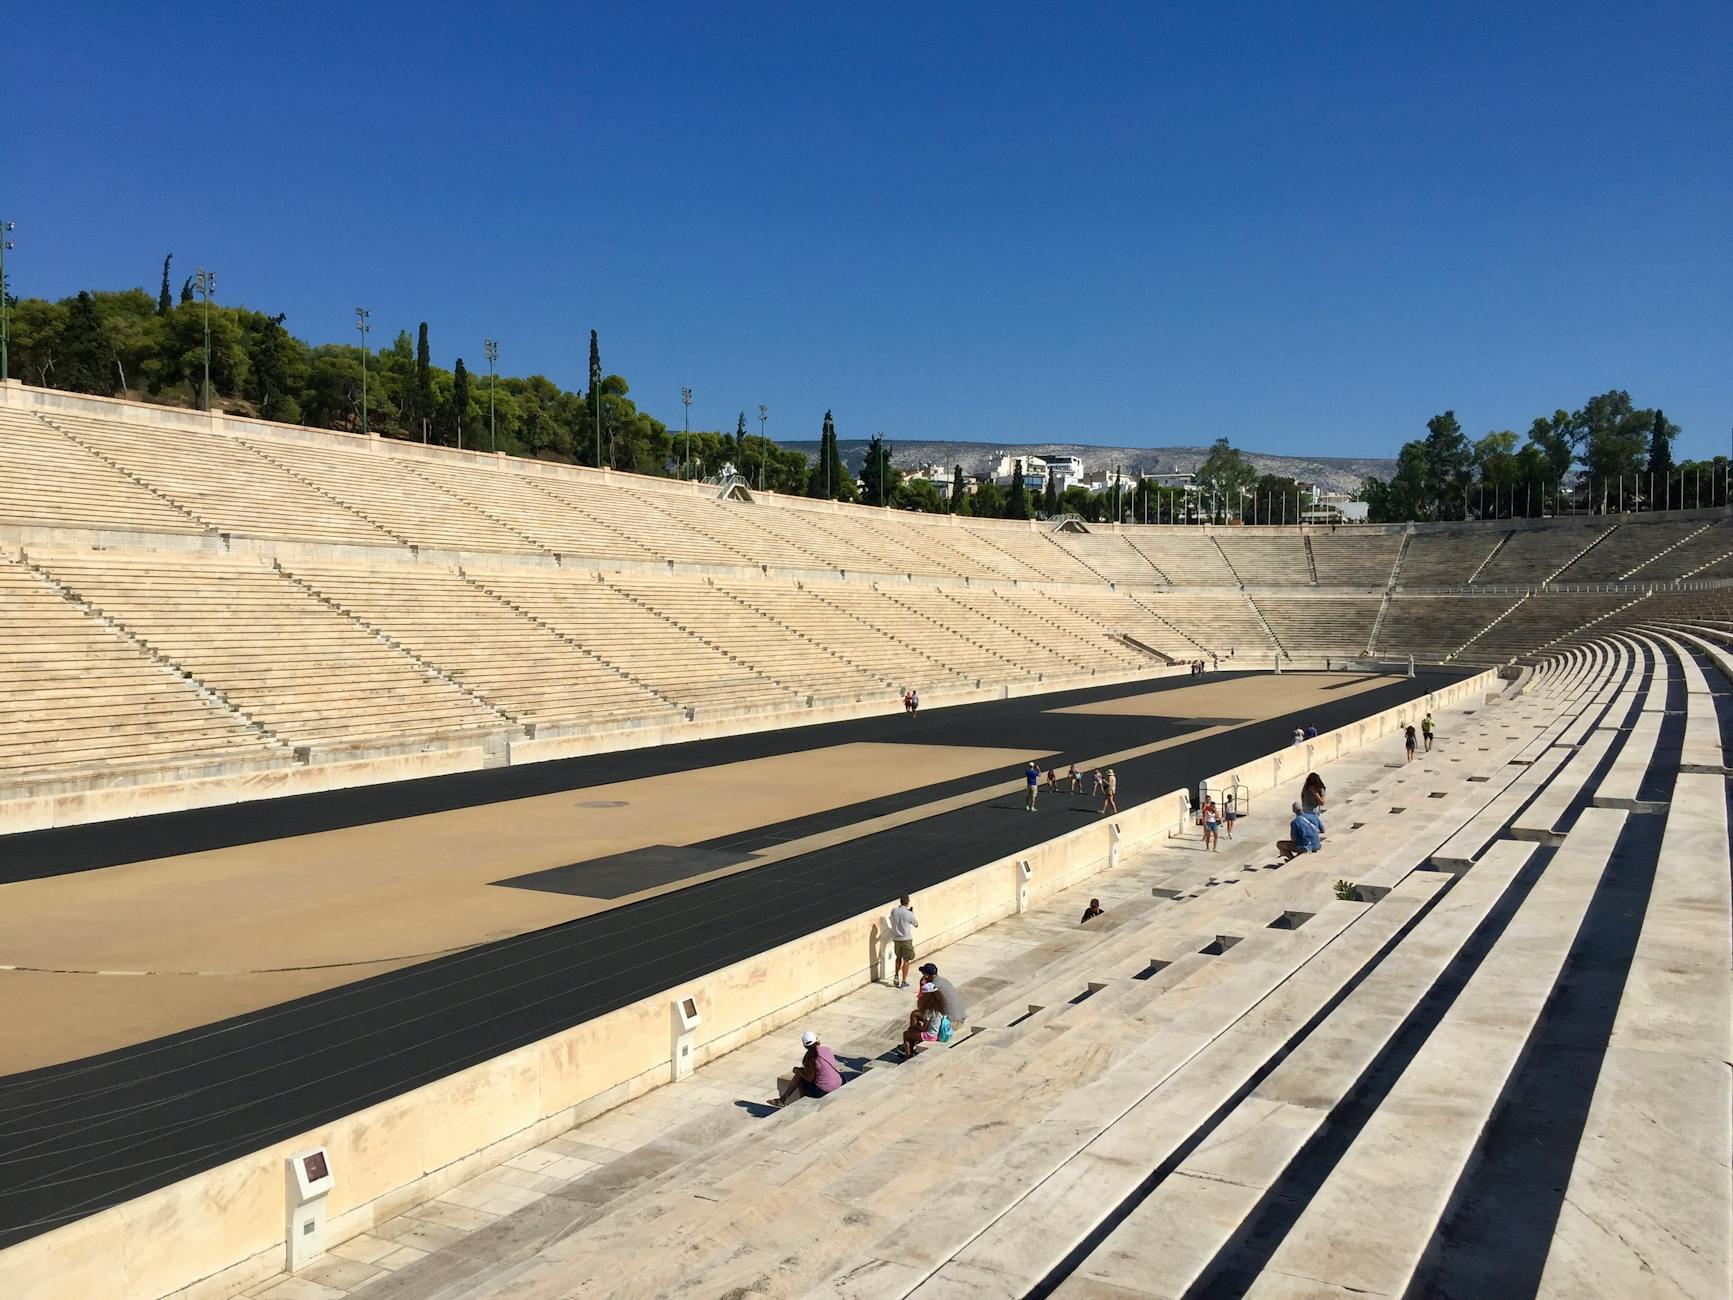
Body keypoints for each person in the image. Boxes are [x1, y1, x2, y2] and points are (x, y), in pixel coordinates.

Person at [770, 1030, 844, 1106]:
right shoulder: (826, 1049)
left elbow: (810, 1078)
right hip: (839, 1082)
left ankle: (793, 1101)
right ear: (817, 1040)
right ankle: (783, 1099)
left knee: (801, 1079)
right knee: (802, 1073)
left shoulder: (809, 1058)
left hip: (825, 1090)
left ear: (805, 1046)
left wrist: (797, 1070)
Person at [917, 962, 968, 1028]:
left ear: (926, 975)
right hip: (959, 1019)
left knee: (915, 1015)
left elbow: (921, 1006)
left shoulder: (933, 987)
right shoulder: (943, 981)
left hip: (950, 1023)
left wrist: (922, 987)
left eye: (923, 974)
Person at [887, 895, 918, 988]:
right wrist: (912, 913)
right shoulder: (908, 913)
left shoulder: (894, 911)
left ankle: (896, 975)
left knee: (898, 958)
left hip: (896, 939)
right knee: (906, 960)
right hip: (906, 939)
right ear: (907, 902)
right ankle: (904, 981)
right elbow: (916, 924)